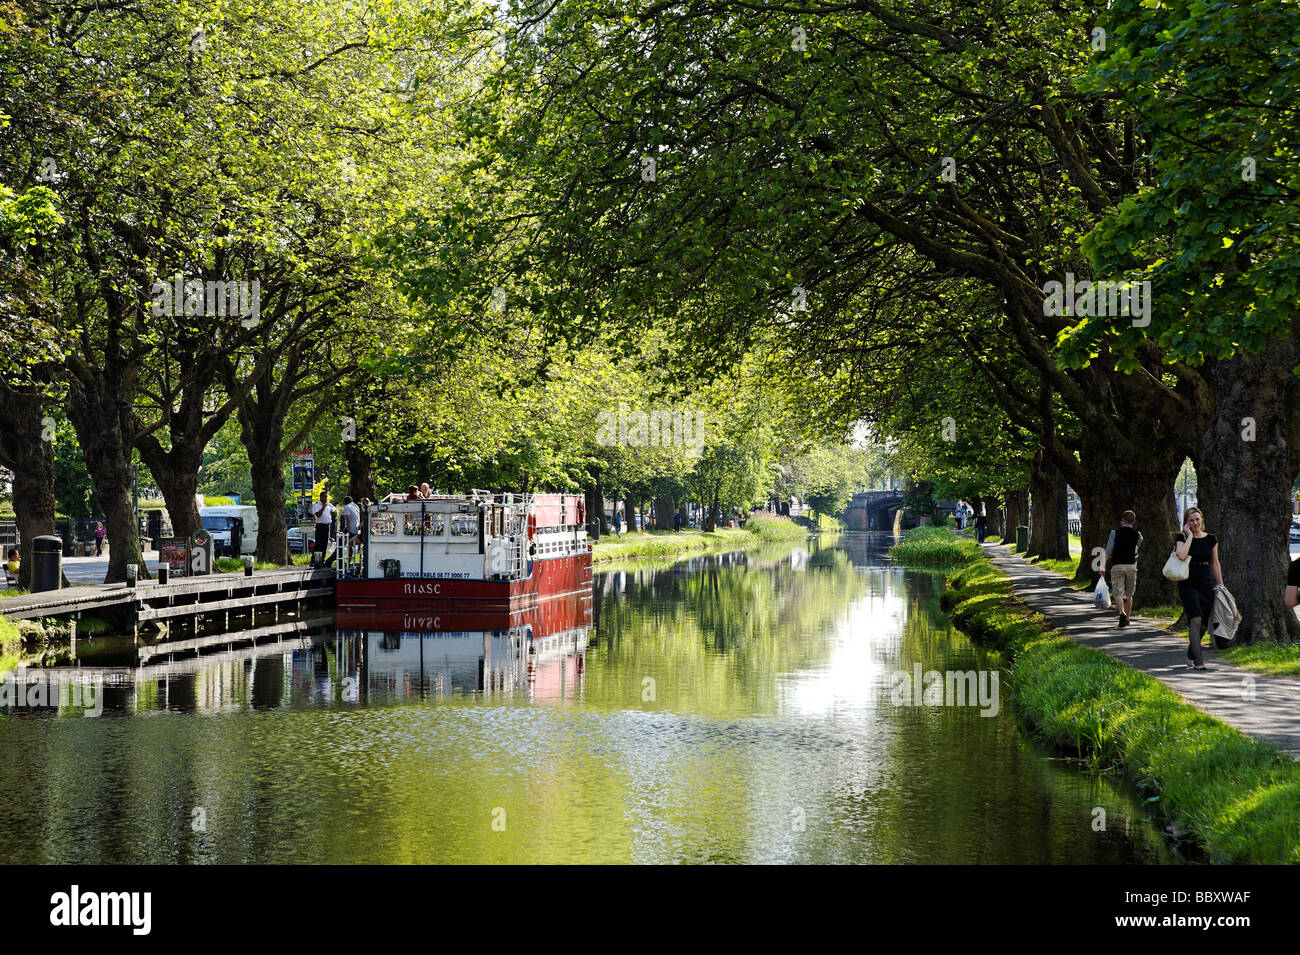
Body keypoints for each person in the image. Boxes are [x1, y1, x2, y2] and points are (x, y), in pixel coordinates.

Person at [1174, 507, 1221, 670]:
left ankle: (1191, 654)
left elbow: (1215, 563)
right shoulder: (1182, 537)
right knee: (1195, 619)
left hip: (1207, 582)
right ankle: (1199, 661)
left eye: (1197, 519)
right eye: (1191, 520)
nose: (1195, 523)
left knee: (1203, 624)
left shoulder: (1211, 539)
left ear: (1201, 520)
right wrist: (1189, 536)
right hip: (1188, 582)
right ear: (1187, 523)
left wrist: (1220, 584)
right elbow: (1181, 555)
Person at [1104, 509, 1143, 628]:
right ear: (1134, 521)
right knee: (1129, 594)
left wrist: (1102, 566)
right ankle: (1127, 618)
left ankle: (1121, 612)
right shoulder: (1138, 535)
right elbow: (1138, 545)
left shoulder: (1114, 533)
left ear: (1122, 521)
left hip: (1117, 566)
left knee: (1118, 592)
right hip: (1131, 566)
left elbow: (1108, 552)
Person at [312, 488, 336, 565]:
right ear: (320, 497)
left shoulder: (329, 504)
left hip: (327, 525)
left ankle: (322, 559)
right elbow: (318, 515)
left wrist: (331, 512)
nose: (325, 498)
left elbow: (333, 511)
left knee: (325, 543)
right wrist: (323, 507)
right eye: (324, 496)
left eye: (326, 496)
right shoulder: (317, 505)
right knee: (319, 543)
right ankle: (315, 560)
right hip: (320, 526)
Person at [343, 496, 362, 570]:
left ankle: (348, 564)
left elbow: (348, 519)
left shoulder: (347, 507)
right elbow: (358, 517)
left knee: (348, 546)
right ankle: (353, 562)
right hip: (356, 528)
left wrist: (348, 530)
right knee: (352, 546)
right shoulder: (356, 506)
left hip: (351, 530)